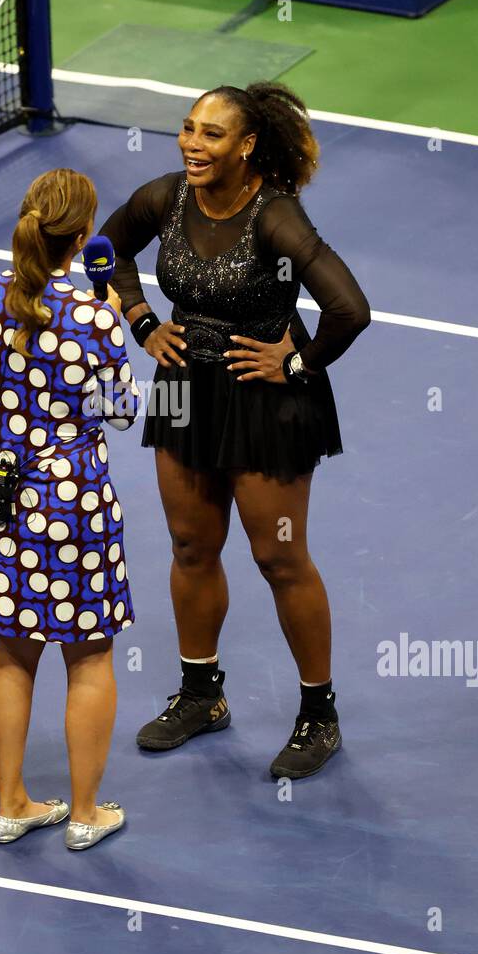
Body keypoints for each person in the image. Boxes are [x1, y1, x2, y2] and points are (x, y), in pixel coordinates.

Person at [99, 81, 370, 779]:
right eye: (189, 129)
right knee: (191, 544)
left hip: (265, 400)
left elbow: (349, 308)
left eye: (211, 134)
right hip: (187, 391)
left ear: (247, 146)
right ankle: (201, 696)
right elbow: (106, 248)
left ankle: (319, 714)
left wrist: (299, 362)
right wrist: (141, 322)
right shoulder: (167, 196)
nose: (192, 143)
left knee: (278, 559)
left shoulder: (276, 219)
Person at [0, 168, 139, 849]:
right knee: (89, 651)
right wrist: (103, 309)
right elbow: (123, 411)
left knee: (14, 648)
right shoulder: (93, 317)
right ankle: (84, 814)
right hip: (72, 497)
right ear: (80, 241)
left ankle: (12, 803)